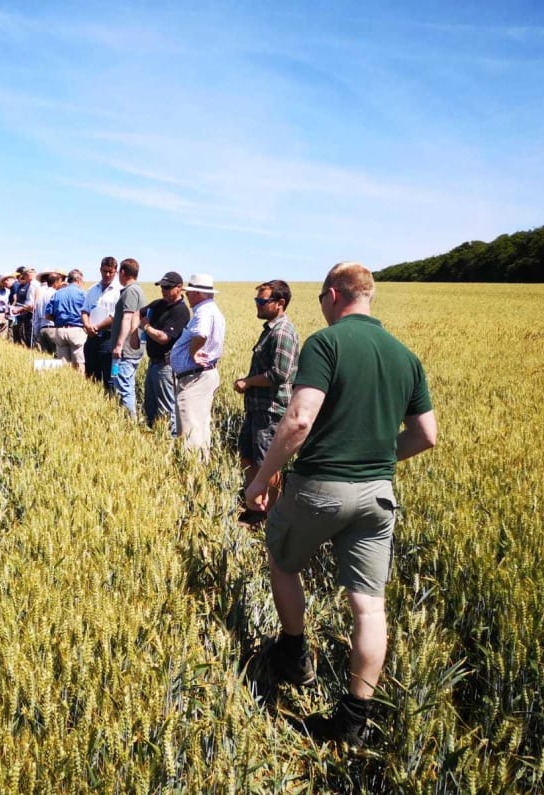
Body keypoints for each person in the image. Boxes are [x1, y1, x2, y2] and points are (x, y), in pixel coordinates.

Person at [245, 262, 437, 745]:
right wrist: (373, 456)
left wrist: (261, 481)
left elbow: (298, 420)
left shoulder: (326, 343)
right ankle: (352, 722)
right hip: (378, 494)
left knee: (282, 559)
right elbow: (427, 436)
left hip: (320, 487)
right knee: (369, 608)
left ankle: (293, 655)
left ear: (333, 295)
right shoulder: (405, 356)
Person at [233, 280, 300, 524]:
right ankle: (255, 510)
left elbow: (280, 374)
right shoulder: (270, 329)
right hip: (257, 408)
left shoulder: (282, 332)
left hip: (271, 411)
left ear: (280, 303)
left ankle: (273, 516)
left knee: (268, 465)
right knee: (248, 458)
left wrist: (248, 382)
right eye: (257, 301)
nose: (258, 305)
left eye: (263, 301)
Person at [169, 274, 226, 457]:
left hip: (195, 377)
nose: (187, 296)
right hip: (201, 376)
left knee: (190, 430)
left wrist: (193, 353)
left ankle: (191, 474)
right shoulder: (213, 310)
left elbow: (200, 334)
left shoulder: (203, 311)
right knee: (200, 427)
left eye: (190, 292)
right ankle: (199, 471)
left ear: (199, 294)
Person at [138, 270, 190, 433]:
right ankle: (153, 437)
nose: (164, 291)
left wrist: (146, 326)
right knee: (150, 407)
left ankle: (168, 442)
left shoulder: (180, 311)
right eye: (162, 287)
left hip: (167, 367)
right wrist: (134, 333)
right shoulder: (158, 304)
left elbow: (164, 337)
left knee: (166, 410)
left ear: (179, 288)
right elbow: (137, 313)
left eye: (167, 288)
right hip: (153, 364)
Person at [108, 258, 146, 418]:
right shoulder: (137, 290)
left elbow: (127, 318)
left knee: (123, 386)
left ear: (122, 272)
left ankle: (130, 421)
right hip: (128, 350)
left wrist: (118, 345)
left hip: (125, 351)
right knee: (119, 381)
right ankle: (126, 418)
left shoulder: (131, 291)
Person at [81, 257, 120, 388]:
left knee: (109, 379)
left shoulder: (119, 290)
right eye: (105, 271)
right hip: (91, 337)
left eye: (111, 272)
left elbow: (115, 316)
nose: (107, 274)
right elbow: (85, 310)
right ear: (100, 270)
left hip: (108, 339)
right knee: (91, 376)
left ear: (116, 271)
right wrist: (87, 326)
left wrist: (96, 327)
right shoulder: (93, 289)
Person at [45, 269, 87, 369]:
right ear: (79, 280)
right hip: (76, 329)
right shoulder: (82, 294)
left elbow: (47, 314)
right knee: (78, 363)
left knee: (63, 363)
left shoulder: (57, 293)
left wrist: (57, 320)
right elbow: (88, 312)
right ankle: (78, 383)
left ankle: (65, 382)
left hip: (60, 330)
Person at [33, 271, 63, 353]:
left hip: (42, 329)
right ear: (56, 282)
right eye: (60, 282)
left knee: (46, 357)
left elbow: (36, 316)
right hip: (53, 328)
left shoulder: (41, 296)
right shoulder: (56, 294)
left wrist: (36, 332)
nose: (61, 284)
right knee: (57, 355)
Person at [9, 267, 37, 347]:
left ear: (27, 275)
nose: (22, 277)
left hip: (30, 314)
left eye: (23, 275)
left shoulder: (33, 285)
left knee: (29, 337)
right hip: (26, 314)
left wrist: (18, 309)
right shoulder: (27, 285)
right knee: (25, 335)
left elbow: (32, 304)